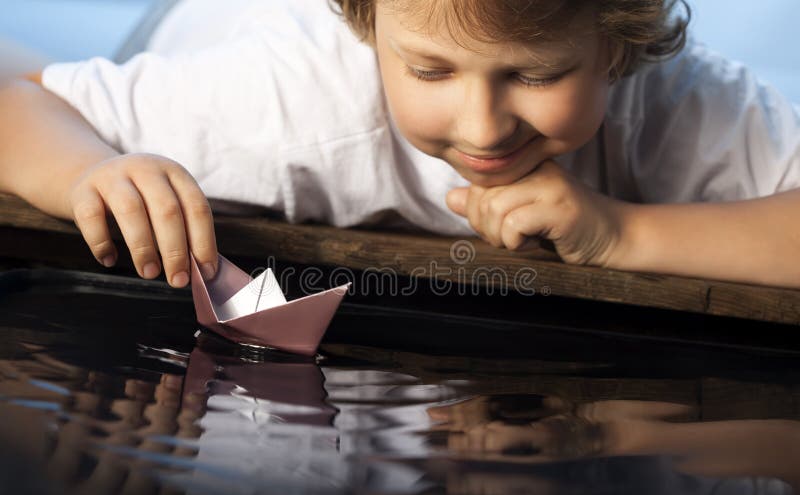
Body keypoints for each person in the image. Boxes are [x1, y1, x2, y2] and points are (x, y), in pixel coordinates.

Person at [0, 0, 798, 289]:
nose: (484, 129)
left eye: (536, 74)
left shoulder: (683, 101)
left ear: (616, 47)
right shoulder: (282, 102)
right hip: (202, 26)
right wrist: (86, 168)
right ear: (371, 32)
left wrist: (622, 232)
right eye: (429, 71)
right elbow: (19, 105)